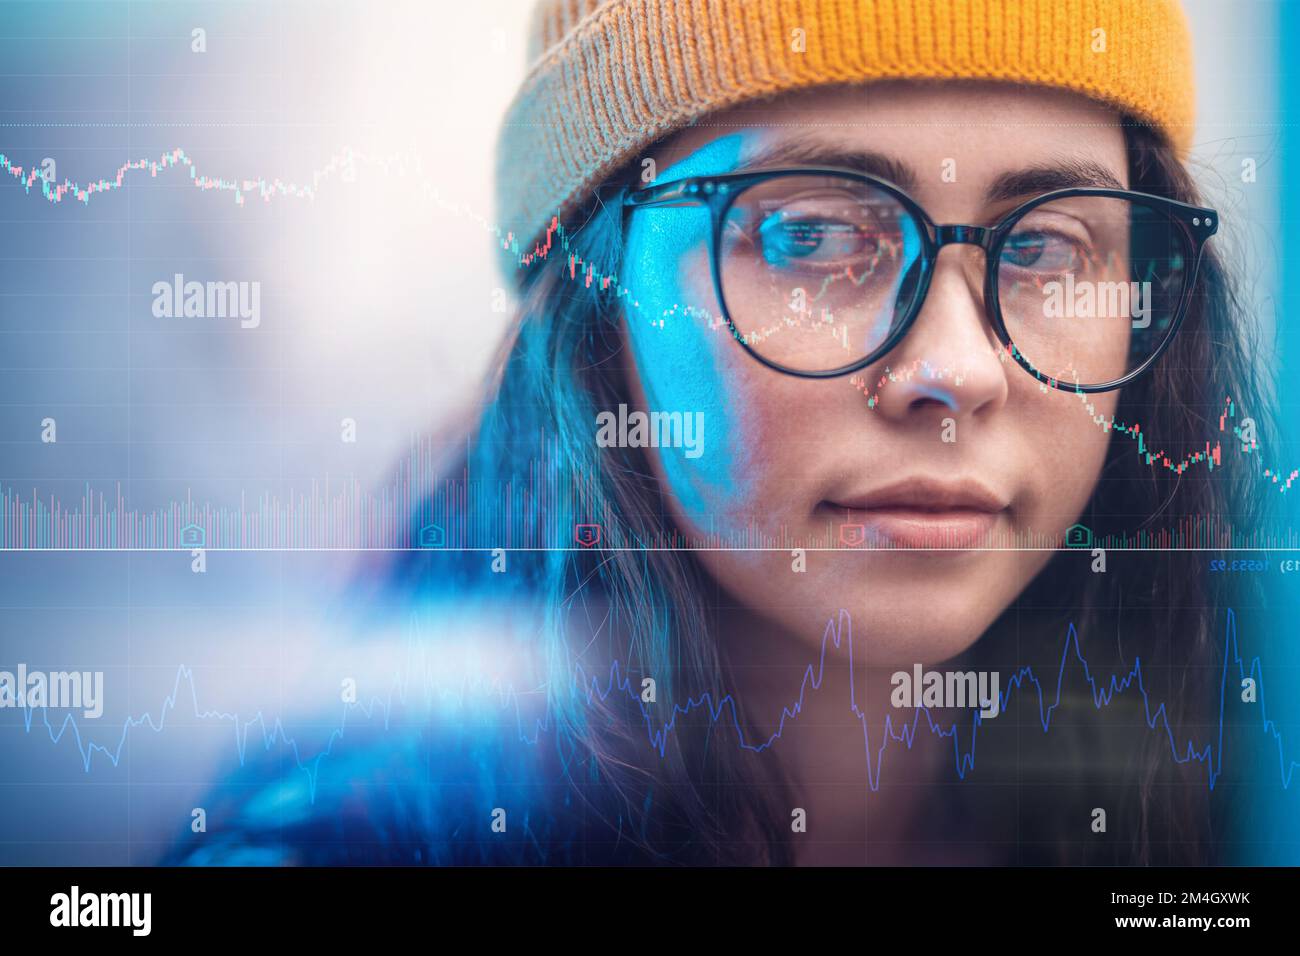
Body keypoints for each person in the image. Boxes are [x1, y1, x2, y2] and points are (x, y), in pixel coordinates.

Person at [168, 0, 1273, 866]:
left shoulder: (1241, 818)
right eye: (810, 234)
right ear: (599, 300)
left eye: (1045, 251)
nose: (956, 368)